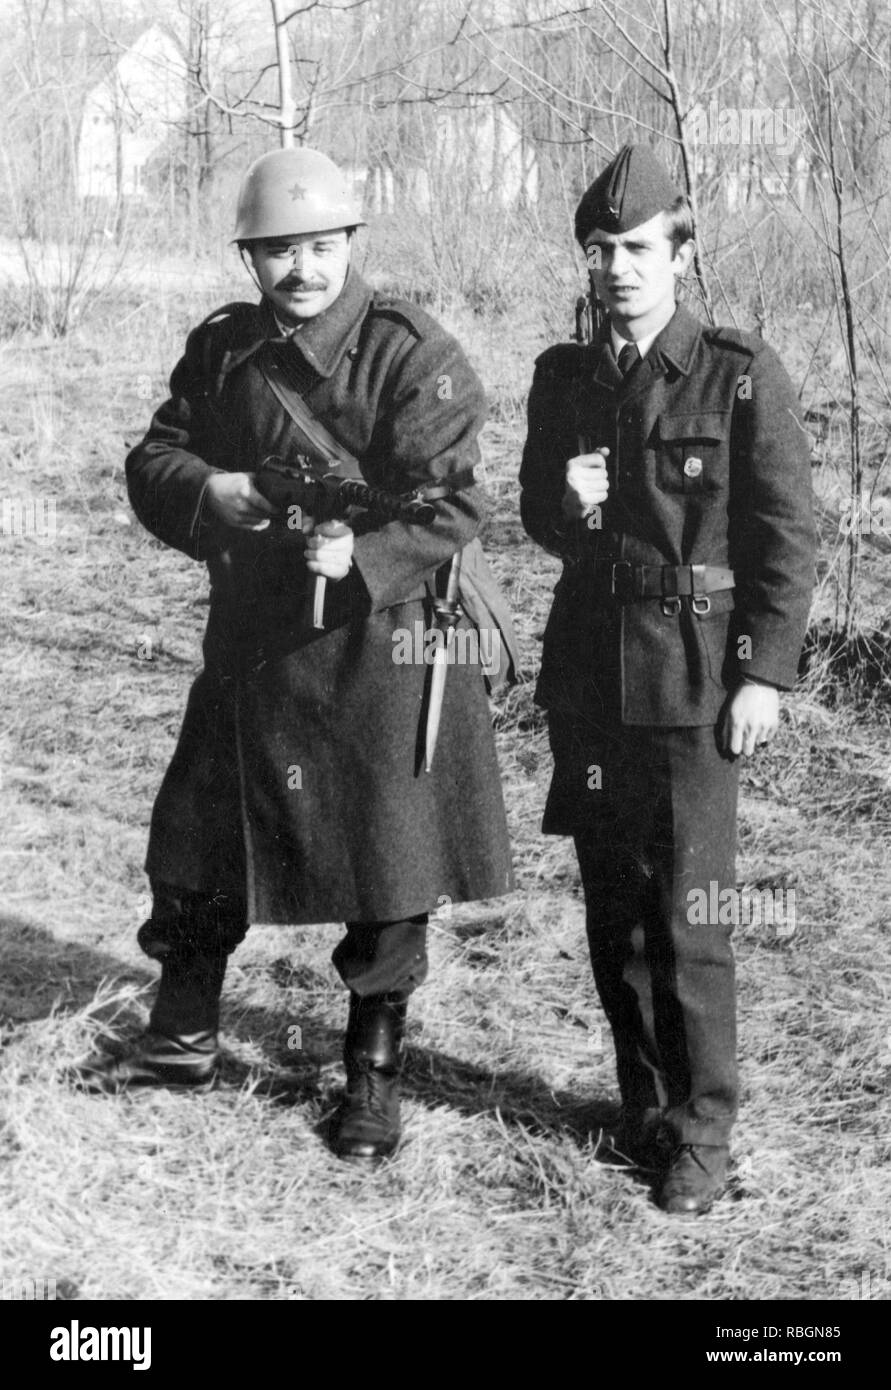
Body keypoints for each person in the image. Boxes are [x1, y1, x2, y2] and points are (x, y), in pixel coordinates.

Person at [72, 146, 515, 1161]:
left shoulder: (414, 351)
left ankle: (371, 1075)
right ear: (250, 258)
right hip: (253, 644)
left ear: (351, 244)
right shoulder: (225, 350)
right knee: (194, 842)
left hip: (381, 645)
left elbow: (455, 502)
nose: (302, 269)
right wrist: (211, 493)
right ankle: (180, 1035)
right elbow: (157, 455)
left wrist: (359, 551)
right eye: (279, 251)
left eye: (320, 247)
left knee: (388, 866)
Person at [519, 144, 815, 1214]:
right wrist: (573, 499)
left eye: (639, 248)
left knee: (692, 912)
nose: (618, 269)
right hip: (591, 682)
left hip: (697, 680)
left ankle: (705, 1128)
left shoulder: (738, 372)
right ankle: (640, 1101)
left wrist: (764, 675)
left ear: (681, 251)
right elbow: (543, 523)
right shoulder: (566, 378)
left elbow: (786, 539)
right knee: (615, 906)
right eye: (601, 250)